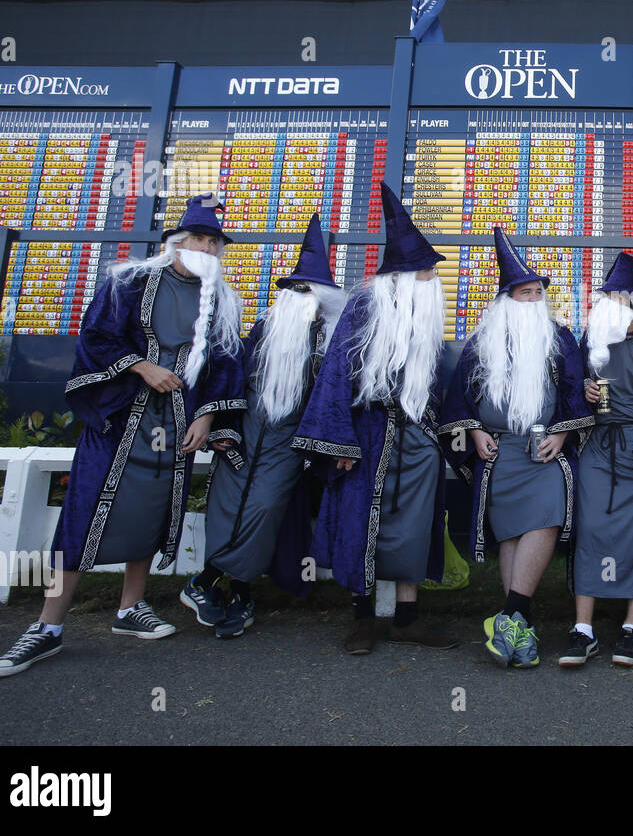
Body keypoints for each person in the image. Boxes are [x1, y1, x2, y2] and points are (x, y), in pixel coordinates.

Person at [0, 195, 246, 677]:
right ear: (176, 242)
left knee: (151, 509)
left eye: (215, 241)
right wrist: (142, 367)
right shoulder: (129, 282)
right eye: (200, 239)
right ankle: (48, 626)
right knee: (87, 510)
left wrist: (207, 419)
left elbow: (227, 366)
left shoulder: (222, 300)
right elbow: (97, 338)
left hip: (177, 422)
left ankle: (130, 609)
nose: (208, 247)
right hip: (121, 417)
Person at [292, 184, 457, 656]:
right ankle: (363, 618)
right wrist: (338, 445)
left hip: (416, 436)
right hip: (366, 435)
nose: (433, 281)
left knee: (413, 524)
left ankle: (406, 618)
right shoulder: (365, 308)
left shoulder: (423, 319)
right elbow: (336, 375)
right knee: (359, 522)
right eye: (427, 273)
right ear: (403, 276)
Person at [182, 213, 348, 638]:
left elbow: (330, 400)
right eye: (293, 287)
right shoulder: (262, 329)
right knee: (226, 509)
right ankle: (236, 595)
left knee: (266, 508)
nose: (298, 295)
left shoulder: (330, 343)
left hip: (288, 442)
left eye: (307, 289)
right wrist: (220, 426)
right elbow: (227, 377)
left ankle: (205, 583)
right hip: (246, 431)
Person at [439, 228, 590, 668]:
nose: (533, 300)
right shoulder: (482, 342)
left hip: (542, 448)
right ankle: (517, 631)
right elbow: (458, 398)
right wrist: (474, 431)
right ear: (507, 298)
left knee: (545, 519)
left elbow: (574, 391)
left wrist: (563, 432)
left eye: (538, 292)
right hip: (499, 450)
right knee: (509, 532)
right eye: (524, 293)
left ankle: (511, 613)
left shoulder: (560, 337)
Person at [559, 251, 633, 668]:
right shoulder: (589, 343)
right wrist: (584, 396)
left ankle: (630, 629)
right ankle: (584, 629)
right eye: (608, 295)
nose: (614, 302)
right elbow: (568, 392)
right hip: (596, 448)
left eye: (622, 296)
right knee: (590, 531)